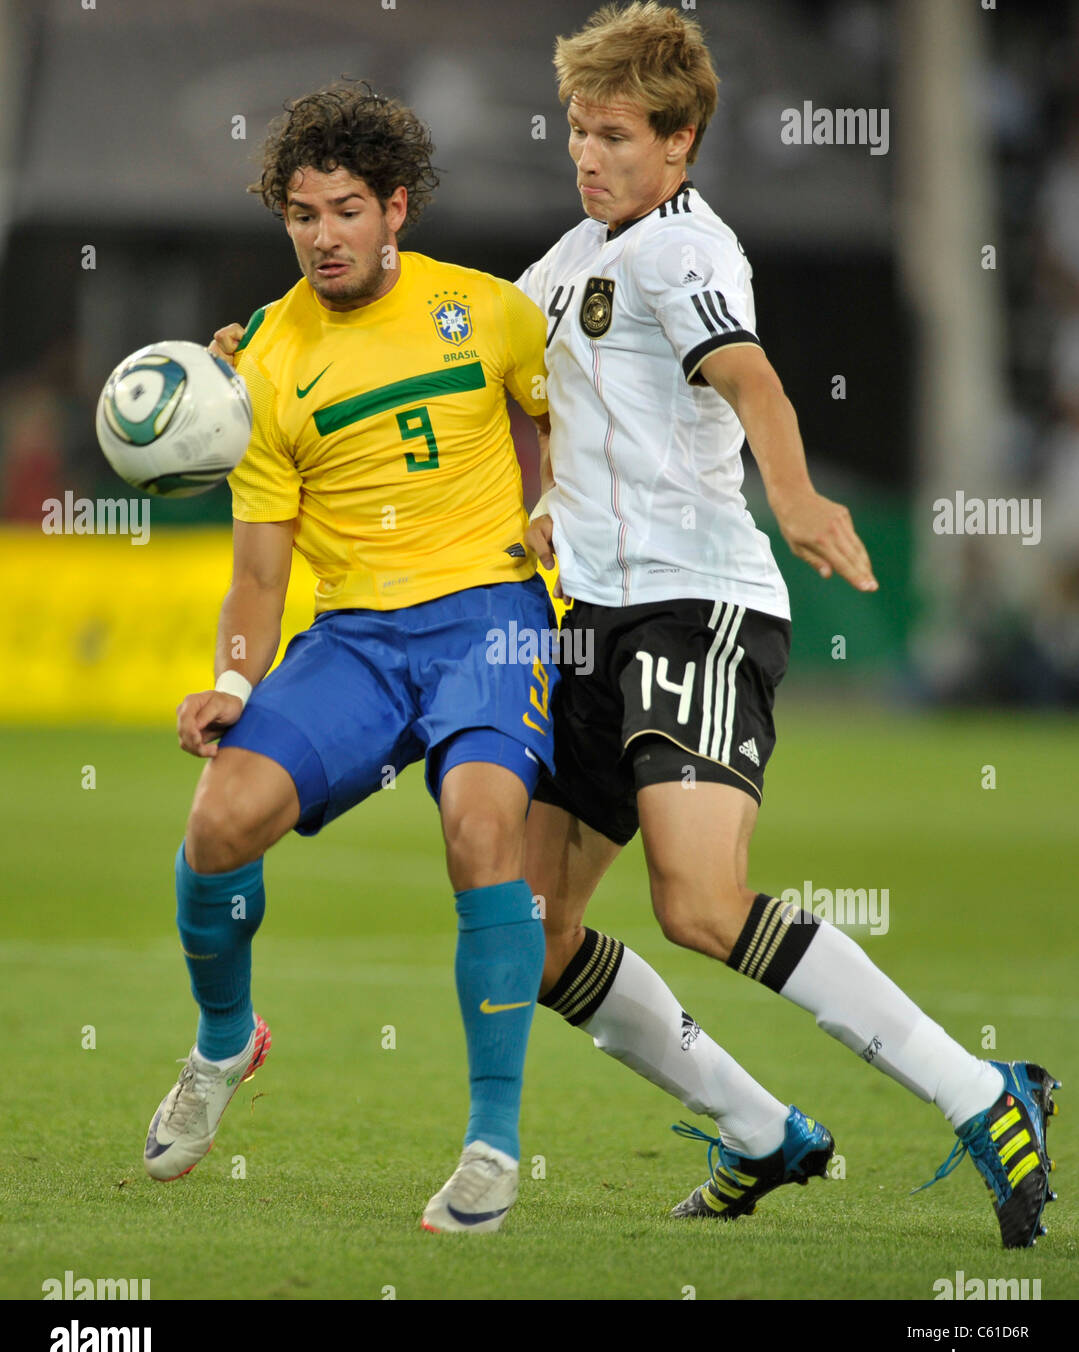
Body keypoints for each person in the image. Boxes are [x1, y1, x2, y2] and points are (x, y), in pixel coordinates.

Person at [518, 1, 1059, 1248]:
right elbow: (492, 359)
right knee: (526, 930)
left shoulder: (683, 250)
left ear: (680, 140)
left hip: (692, 607)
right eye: (574, 131)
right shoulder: (568, 260)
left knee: (699, 904)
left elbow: (749, 375)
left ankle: (985, 1095)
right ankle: (762, 1131)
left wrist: (797, 493)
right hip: (593, 628)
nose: (586, 155)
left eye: (611, 134)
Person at [142, 80, 559, 1235]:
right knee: (218, 821)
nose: (322, 235)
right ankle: (224, 1046)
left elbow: (570, 434)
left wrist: (559, 508)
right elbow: (260, 571)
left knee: (482, 822)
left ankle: (490, 1142)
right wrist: (231, 682)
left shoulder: (491, 313)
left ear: (396, 208)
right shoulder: (263, 361)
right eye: (300, 214)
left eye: (343, 211)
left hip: (491, 617)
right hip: (360, 636)